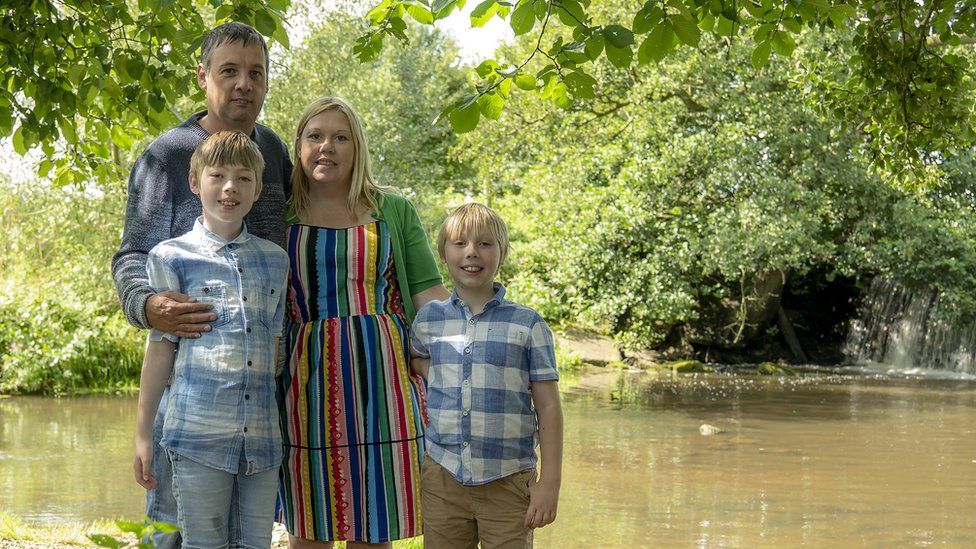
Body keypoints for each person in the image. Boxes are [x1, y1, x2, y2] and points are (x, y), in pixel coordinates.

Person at [111, 21, 292, 548]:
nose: (244, 84)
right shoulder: (167, 157)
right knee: (172, 529)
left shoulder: (272, 152)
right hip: (184, 389)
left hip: (252, 398)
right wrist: (147, 304)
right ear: (204, 77)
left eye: (255, 73)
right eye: (229, 71)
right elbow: (132, 254)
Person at [276, 96, 449, 548]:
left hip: (385, 381)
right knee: (310, 524)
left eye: (340, 137)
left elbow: (431, 297)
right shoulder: (278, 215)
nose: (325, 147)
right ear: (298, 146)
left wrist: (460, 362)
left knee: (374, 523)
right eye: (314, 136)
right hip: (307, 383)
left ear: (358, 148)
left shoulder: (393, 209)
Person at [133, 130, 288, 548]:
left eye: (243, 178)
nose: (229, 187)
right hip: (197, 436)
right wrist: (144, 433)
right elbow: (161, 348)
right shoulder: (170, 256)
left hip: (261, 439)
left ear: (257, 189)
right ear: (195, 182)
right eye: (217, 175)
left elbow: (274, 347)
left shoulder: (277, 259)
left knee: (255, 544)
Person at [410, 203, 564, 549]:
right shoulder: (430, 320)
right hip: (443, 475)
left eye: (485, 243)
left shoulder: (528, 324)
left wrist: (550, 483)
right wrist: (431, 371)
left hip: (508, 479)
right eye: (459, 243)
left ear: (503, 253)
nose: (471, 253)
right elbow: (414, 357)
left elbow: (549, 408)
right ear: (443, 253)